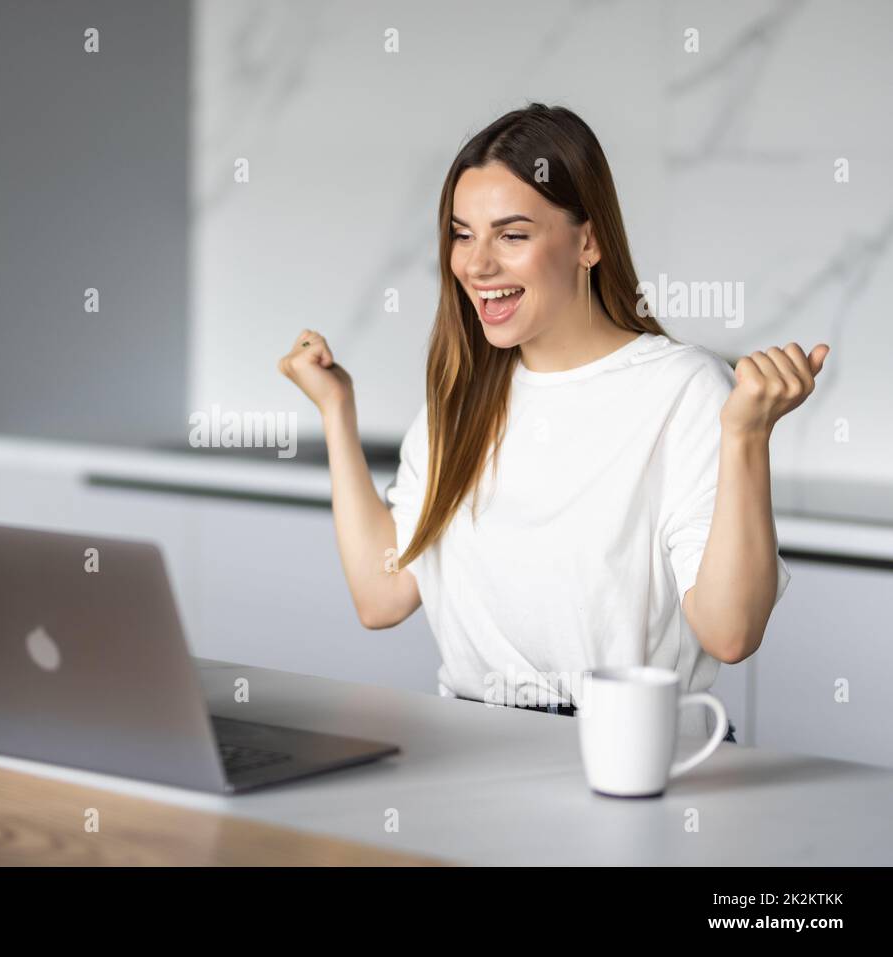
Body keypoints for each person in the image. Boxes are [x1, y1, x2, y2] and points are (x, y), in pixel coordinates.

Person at [277, 103, 828, 742]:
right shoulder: (462, 398)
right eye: (462, 234)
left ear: (587, 241)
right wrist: (336, 412)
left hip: (632, 752)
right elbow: (383, 596)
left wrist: (747, 437)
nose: (477, 265)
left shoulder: (683, 390)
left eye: (512, 235)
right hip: (468, 749)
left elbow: (730, 632)